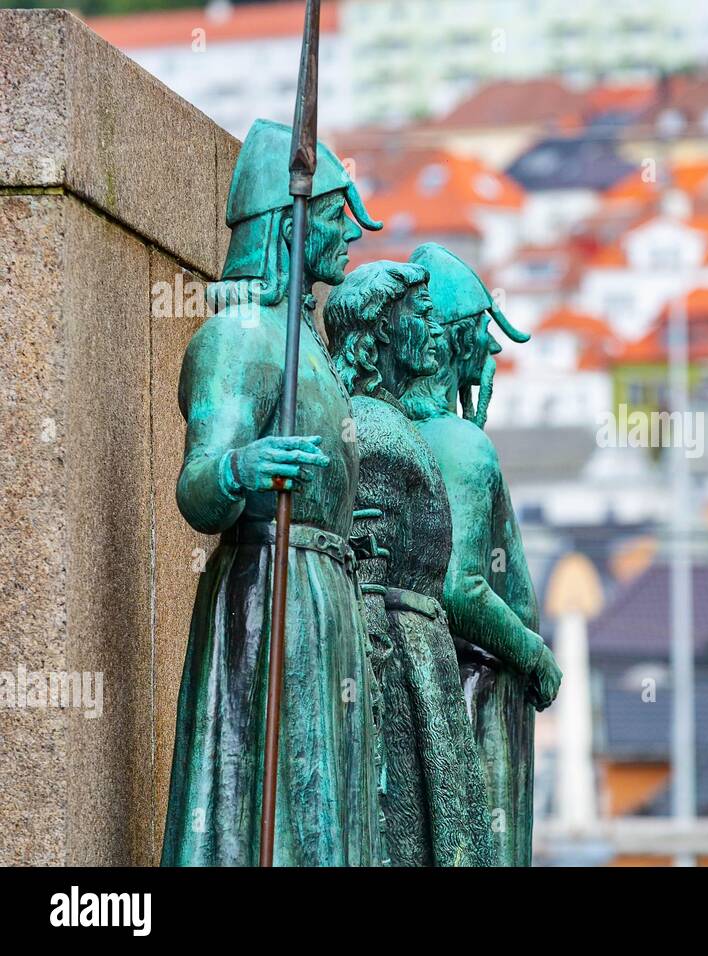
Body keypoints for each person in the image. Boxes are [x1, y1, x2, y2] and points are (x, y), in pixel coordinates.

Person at [162, 119, 386, 866]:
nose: (348, 239)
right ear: (290, 226)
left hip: (325, 602)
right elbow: (197, 488)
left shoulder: (311, 350)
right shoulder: (241, 339)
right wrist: (241, 469)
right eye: (333, 217)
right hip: (270, 595)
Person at [324, 261, 493, 866]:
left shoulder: (390, 422)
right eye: (420, 318)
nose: (436, 331)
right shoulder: (368, 428)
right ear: (380, 335)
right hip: (399, 667)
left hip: (417, 655)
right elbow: (363, 584)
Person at [401, 242, 562, 866]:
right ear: (449, 341)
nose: (492, 351)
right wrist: (536, 656)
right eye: (480, 333)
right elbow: (462, 587)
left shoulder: (411, 430)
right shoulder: (462, 447)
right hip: (479, 690)